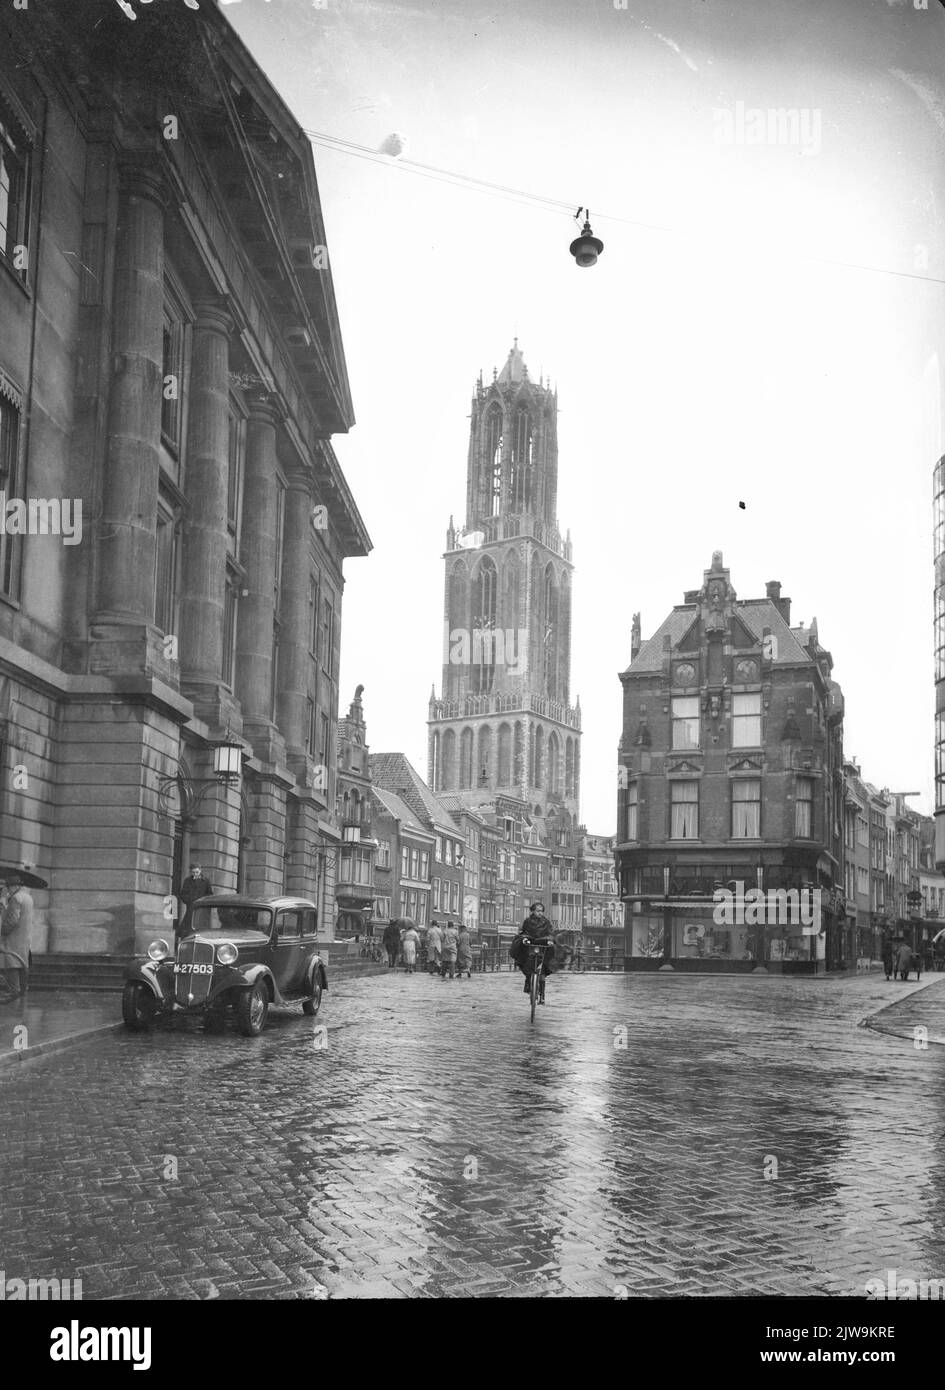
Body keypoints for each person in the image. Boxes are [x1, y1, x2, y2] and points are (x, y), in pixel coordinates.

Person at [509, 902, 556, 999]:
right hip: (531, 944)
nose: (540, 913)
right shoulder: (527, 922)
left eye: (541, 911)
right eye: (538, 911)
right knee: (525, 959)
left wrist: (550, 940)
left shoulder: (546, 922)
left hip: (543, 944)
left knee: (543, 970)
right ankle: (528, 982)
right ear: (533, 911)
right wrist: (524, 939)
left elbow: (551, 933)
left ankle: (542, 995)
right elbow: (523, 932)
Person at [0, 874, 34, 1003]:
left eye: (8, 888)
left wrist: (3, 931)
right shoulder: (28, 897)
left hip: (14, 938)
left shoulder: (16, 898)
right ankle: (22, 993)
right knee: (22, 964)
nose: (7, 890)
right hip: (24, 937)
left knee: (12, 962)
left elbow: (12, 920)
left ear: (14, 886)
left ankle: (14, 994)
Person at [177, 864, 213, 943]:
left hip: (202, 909)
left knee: (202, 928)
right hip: (191, 907)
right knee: (187, 928)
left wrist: (203, 901)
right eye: (193, 872)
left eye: (197, 872)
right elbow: (183, 894)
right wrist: (189, 901)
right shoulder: (187, 881)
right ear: (191, 872)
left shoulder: (206, 881)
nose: (195, 874)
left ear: (200, 870)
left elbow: (210, 894)